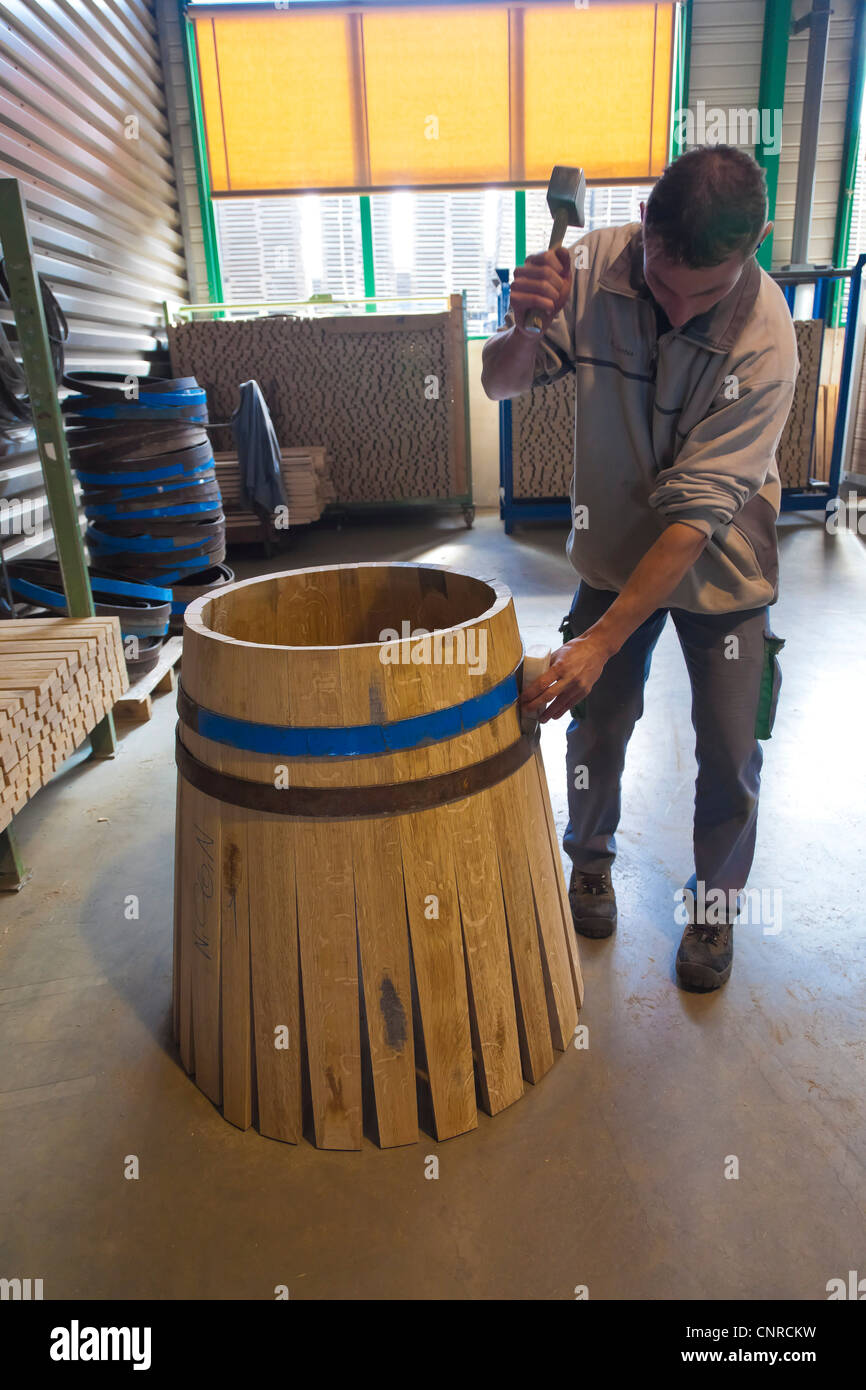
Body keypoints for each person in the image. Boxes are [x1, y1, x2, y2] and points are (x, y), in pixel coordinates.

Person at [481, 145, 798, 991]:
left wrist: (598, 642)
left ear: (755, 242)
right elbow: (498, 386)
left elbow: (695, 522)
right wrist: (522, 326)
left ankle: (716, 908)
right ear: (644, 228)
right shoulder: (585, 268)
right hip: (618, 547)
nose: (677, 306)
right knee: (597, 723)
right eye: (661, 280)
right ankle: (589, 861)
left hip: (723, 565)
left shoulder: (767, 344)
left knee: (730, 749)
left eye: (705, 291)